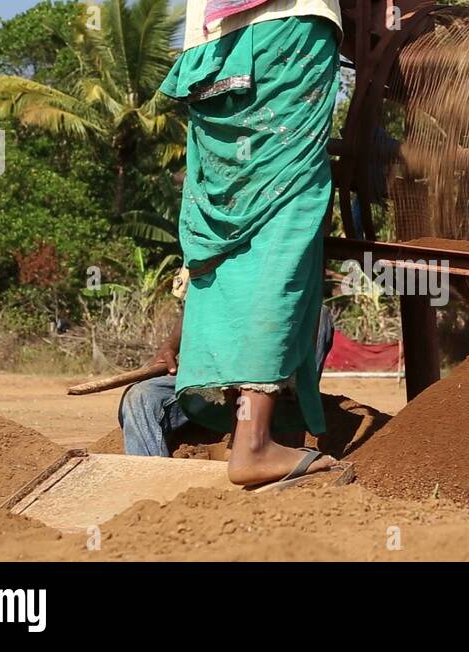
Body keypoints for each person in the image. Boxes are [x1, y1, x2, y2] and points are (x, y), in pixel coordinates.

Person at [151, 0, 343, 485]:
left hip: (209, 47)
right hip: (290, 26)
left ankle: (245, 426)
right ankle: (254, 444)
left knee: (228, 219)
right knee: (286, 211)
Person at [119, 305, 334, 458]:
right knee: (140, 397)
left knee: (319, 314)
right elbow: (195, 301)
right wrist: (170, 346)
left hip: (265, 378)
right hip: (208, 378)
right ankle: (150, 479)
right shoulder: (208, 256)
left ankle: (280, 444)